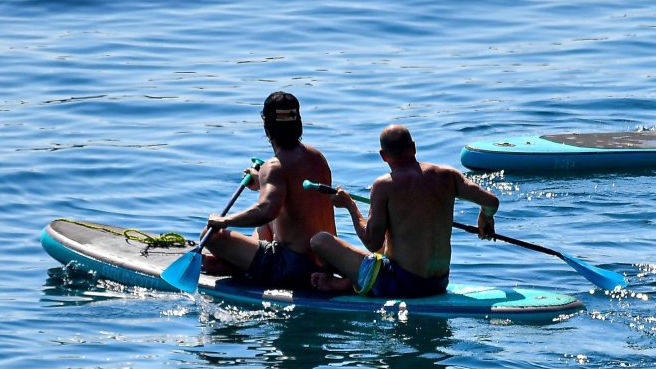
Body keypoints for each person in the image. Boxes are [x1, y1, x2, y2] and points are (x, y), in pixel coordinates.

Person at [309, 124, 499, 298]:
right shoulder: (448, 174)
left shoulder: (384, 185)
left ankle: (348, 283)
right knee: (388, 245)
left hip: (402, 286)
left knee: (320, 241)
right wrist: (486, 216)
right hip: (439, 283)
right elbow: (491, 201)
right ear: (414, 147)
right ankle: (347, 284)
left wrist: (350, 206)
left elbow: (371, 242)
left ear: (383, 155)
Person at [201, 92, 337, 289]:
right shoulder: (317, 157)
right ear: (298, 122)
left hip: (292, 269)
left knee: (210, 234)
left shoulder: (274, 167)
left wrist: (225, 221)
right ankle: (239, 261)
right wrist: (262, 183)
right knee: (270, 222)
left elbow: (266, 210)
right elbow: (295, 197)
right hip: (325, 263)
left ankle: (236, 264)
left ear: (267, 127)